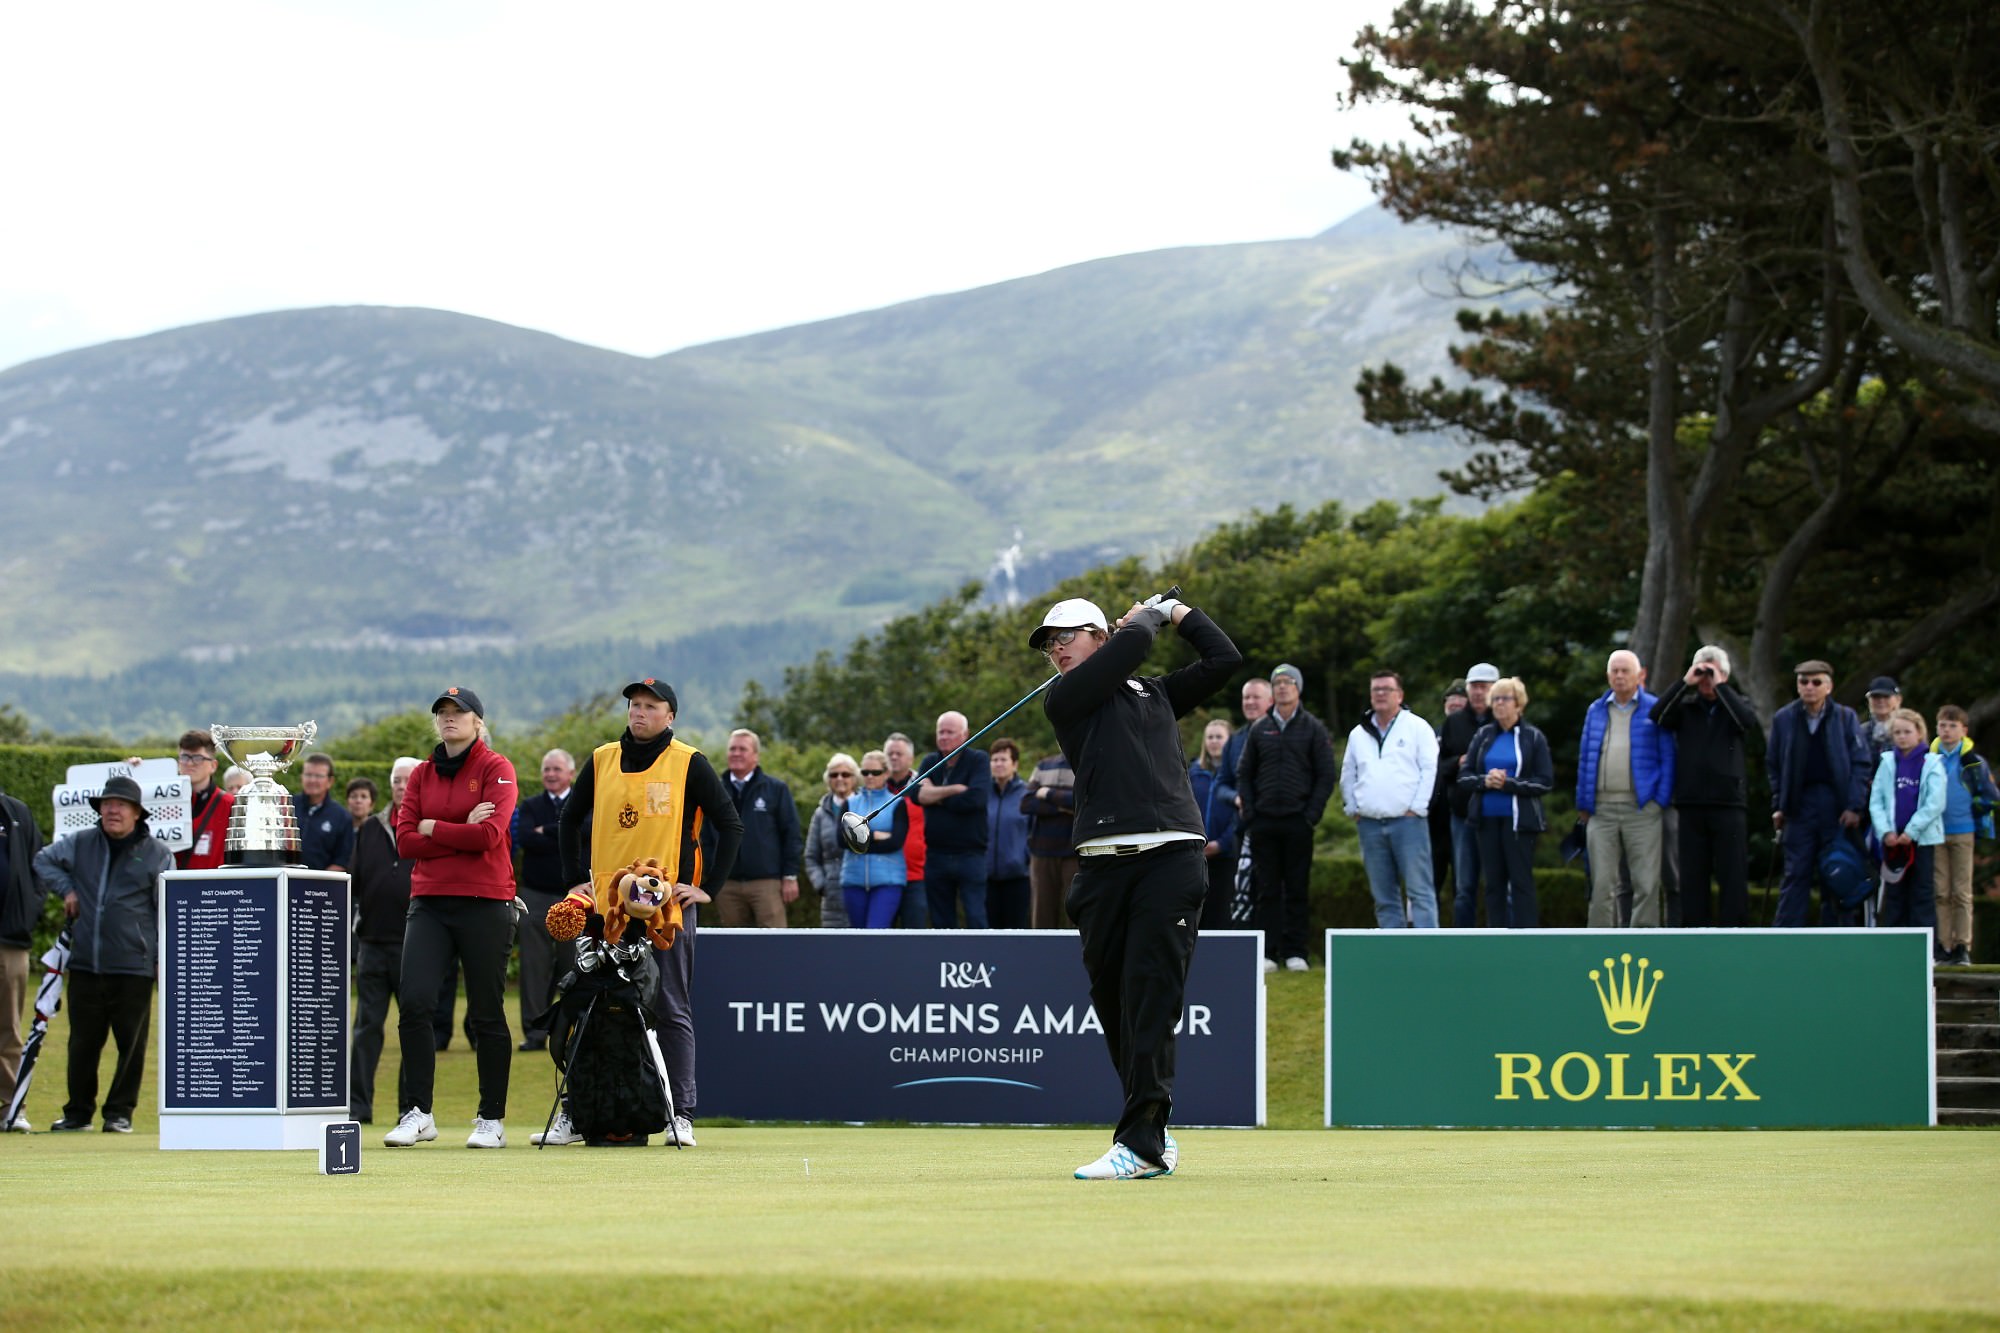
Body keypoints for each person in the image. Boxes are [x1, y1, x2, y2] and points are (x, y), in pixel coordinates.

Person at [1032, 591, 1241, 1179]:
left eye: (1064, 637)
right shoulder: (1066, 697)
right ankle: (1155, 1130)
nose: (1054, 650)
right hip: (1099, 866)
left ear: (1097, 634)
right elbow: (1132, 646)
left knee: (1151, 998)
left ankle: (1141, 1143)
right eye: (1048, 644)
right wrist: (1146, 620)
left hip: (1169, 858)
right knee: (1115, 1007)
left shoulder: (1156, 692)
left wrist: (1176, 614)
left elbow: (1224, 660)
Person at [550, 676, 742, 1148]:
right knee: (592, 1009)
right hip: (606, 910)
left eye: (650, 706)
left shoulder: (689, 762)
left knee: (671, 1008)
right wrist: (575, 878)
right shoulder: (601, 759)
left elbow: (729, 824)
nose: (639, 712)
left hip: (665, 911)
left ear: (670, 716)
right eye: (634, 705)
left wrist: (706, 888)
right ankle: (579, 1113)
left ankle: (683, 1113)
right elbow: (569, 819)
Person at [384, 687, 519, 1149]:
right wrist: (458, 825)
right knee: (416, 1004)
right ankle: (418, 1112)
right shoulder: (421, 773)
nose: (449, 719)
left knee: (486, 1013)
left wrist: (433, 827)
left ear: (478, 722)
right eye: (442, 713)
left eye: (458, 713)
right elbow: (405, 842)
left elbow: (489, 835)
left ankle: (491, 1118)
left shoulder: (497, 768)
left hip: (486, 900)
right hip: (431, 901)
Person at [36, 775, 173, 1133]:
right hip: (85, 962)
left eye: (121, 805)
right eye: (107, 805)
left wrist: (161, 958)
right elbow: (43, 861)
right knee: (81, 1043)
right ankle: (78, 1113)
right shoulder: (81, 843)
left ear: (136, 813)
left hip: (134, 965)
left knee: (132, 1045)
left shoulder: (158, 853)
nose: (112, 810)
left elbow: (167, 910)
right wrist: (66, 888)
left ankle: (119, 1113)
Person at [1235, 663, 1337, 972]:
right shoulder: (1259, 728)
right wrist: (1251, 814)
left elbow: (1326, 775)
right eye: (1277, 682)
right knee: (1266, 889)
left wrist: (1311, 815)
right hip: (1264, 821)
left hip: (1298, 821)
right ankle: (1268, 951)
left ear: (1298, 688)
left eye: (1288, 682)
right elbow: (1244, 773)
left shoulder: (1313, 728)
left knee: (1296, 888)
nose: (1281, 687)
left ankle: (1296, 952)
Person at [1649, 646, 1757, 926]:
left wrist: (1721, 686)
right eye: (1703, 673)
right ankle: (1694, 932)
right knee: (1693, 875)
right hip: (1691, 802)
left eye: (1711, 673)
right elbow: (1657, 715)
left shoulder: (1736, 704)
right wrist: (1686, 682)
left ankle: (1735, 931)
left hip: (1728, 803)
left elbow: (1747, 722)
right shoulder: (1686, 709)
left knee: (1732, 873)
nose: (1706, 679)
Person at [1767, 660, 1872, 927]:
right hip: (1798, 805)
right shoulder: (1784, 718)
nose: (1809, 687)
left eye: (1816, 682)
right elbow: (1774, 765)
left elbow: (1860, 763)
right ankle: (1786, 938)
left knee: (1837, 871)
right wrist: (1779, 803)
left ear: (1829, 686)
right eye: (1804, 682)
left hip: (1835, 806)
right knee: (1796, 872)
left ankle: (1839, 937)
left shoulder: (1845, 717)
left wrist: (1854, 806)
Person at [1575, 650, 1675, 928]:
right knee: (1602, 883)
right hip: (1601, 809)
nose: (1619, 676)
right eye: (1614, 671)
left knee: (1646, 881)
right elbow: (1585, 758)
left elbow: (1668, 757)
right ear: (1608, 675)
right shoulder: (1595, 710)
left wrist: (1659, 800)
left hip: (1642, 808)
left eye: (1625, 671)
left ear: (1639, 675)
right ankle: (1600, 943)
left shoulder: (1654, 709)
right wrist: (1584, 803)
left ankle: (1644, 941)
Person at [1341, 670, 1439, 929]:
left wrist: (1417, 807)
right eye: (1376, 690)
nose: (1381, 694)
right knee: (1384, 897)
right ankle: (1395, 956)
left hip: (1408, 823)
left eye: (1387, 689)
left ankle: (1429, 954)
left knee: (1420, 893)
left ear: (1400, 695)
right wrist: (1353, 808)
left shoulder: (1417, 727)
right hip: (1370, 824)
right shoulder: (1358, 733)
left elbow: (1430, 769)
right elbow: (1348, 774)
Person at [349, 756, 417, 1124]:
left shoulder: (426, 826)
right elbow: (356, 882)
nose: (402, 786)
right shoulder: (371, 828)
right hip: (372, 943)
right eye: (396, 780)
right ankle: (359, 1108)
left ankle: (410, 1109)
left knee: (412, 1029)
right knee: (366, 1029)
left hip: (414, 946)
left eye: (408, 780)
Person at [1458, 677, 1552, 929]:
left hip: (1520, 823)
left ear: (1518, 704)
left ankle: (1527, 938)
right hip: (1486, 820)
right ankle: (1496, 937)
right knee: (1492, 884)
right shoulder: (1484, 735)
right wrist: (1485, 781)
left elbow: (1544, 782)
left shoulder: (1533, 737)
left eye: (1505, 699)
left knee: (1521, 882)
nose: (1499, 704)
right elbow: (1464, 776)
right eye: (1496, 699)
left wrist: (1509, 784)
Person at [511, 749, 577, 1051]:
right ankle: (535, 1033)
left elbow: (583, 833)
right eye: (546, 769)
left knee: (573, 967)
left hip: (573, 897)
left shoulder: (582, 803)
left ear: (571, 774)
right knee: (534, 968)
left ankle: (569, 1032)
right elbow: (525, 838)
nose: (550, 774)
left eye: (556, 769)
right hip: (535, 896)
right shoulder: (530, 805)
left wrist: (548, 831)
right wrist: (561, 831)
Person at [1868, 708, 1944, 942]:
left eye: (1907, 732)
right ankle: (1893, 947)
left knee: (1922, 893)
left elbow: (1935, 802)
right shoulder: (1888, 762)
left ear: (1919, 733)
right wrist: (1886, 831)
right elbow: (1877, 800)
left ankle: (1926, 950)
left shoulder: (1932, 763)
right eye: (1897, 732)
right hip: (1893, 842)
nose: (1902, 737)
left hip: (1921, 841)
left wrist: (1911, 832)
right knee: (1894, 895)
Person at [1931, 706, 1999, 965]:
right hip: (1936, 831)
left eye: (1952, 726)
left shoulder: (1973, 762)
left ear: (1963, 730)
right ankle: (1943, 945)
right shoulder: (1930, 758)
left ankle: (1962, 946)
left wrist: (1977, 814)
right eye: (1942, 726)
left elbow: (1990, 795)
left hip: (1963, 831)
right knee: (1940, 891)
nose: (1946, 731)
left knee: (1961, 891)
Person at [715, 729, 802, 929]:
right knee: (732, 947)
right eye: (732, 749)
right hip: (727, 885)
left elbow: (791, 835)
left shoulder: (776, 789)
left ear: (756, 756)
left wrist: (790, 876)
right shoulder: (716, 790)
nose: (736, 753)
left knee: (773, 946)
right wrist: (713, 871)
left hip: (766, 883)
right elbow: (706, 835)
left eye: (742, 749)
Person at [918, 711, 994, 929]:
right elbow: (917, 796)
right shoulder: (930, 761)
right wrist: (955, 790)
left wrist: (935, 795)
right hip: (936, 855)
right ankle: (941, 961)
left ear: (964, 734)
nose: (943, 736)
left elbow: (975, 799)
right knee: (941, 921)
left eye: (949, 732)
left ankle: (979, 959)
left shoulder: (978, 759)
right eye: (940, 732)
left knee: (975, 917)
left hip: (970, 855)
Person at [0, 781, 47, 1129]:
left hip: (9, 939)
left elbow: (38, 868)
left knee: (9, 1029)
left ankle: (9, 1108)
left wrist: (27, 911)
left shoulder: (15, 812)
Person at [1439, 663, 1498, 927]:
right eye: (1474, 687)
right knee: (1464, 886)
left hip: (1498, 814)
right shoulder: (1454, 722)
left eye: (1483, 687)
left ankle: (1503, 941)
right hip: (1463, 814)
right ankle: (1463, 945)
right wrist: (1458, 763)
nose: (1477, 692)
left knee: (1498, 883)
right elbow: (1439, 767)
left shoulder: (1505, 721)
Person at [841, 750, 909, 929]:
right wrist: (876, 835)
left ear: (886, 773)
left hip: (888, 880)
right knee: (857, 938)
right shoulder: (849, 803)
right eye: (865, 772)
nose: (870, 776)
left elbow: (895, 843)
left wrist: (859, 838)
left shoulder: (897, 803)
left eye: (876, 772)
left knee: (875, 932)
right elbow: (841, 840)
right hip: (853, 879)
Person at [1189, 719, 1239, 931]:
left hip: (1227, 856)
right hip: (1195, 855)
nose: (1214, 741)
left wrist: (1222, 844)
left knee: (1222, 910)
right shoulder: (1192, 774)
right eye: (1210, 737)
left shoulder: (1237, 774)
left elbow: (1241, 815)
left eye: (1219, 737)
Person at [803, 753, 860, 928]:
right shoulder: (820, 814)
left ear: (855, 778)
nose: (840, 778)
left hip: (860, 887)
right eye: (834, 775)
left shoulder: (864, 807)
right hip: (832, 893)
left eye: (845, 774)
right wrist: (822, 884)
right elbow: (811, 856)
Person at [1428, 680, 1468, 912]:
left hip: (1461, 814)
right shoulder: (1431, 734)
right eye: (1450, 699)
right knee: (1429, 881)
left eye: (1460, 699)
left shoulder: (1475, 732)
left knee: (1461, 884)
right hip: (1435, 820)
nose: (1454, 703)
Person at [985, 739, 1032, 928]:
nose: (998, 764)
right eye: (994, 760)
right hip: (986, 878)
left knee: (1016, 933)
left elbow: (1033, 831)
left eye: (1003, 759)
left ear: (1015, 764)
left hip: (1018, 877)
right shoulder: (982, 792)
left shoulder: (1027, 793)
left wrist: (1023, 858)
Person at [884, 734, 929, 928]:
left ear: (910, 758)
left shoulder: (925, 787)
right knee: (883, 939)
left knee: (916, 938)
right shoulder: (875, 788)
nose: (894, 757)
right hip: (884, 876)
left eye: (899, 754)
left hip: (916, 876)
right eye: (890, 754)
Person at [174, 730, 234, 871]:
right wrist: (137, 770)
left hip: (215, 887)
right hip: (172, 887)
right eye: (184, 757)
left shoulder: (230, 805)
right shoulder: (166, 801)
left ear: (213, 766)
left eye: (198, 758)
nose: (189, 763)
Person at [293, 752, 354, 874]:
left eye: (318, 776)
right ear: (302, 777)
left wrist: (318, 881)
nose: (312, 780)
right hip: (284, 882)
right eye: (308, 774)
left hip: (320, 887)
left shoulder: (341, 817)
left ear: (330, 781)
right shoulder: (288, 806)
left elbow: (342, 860)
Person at [1863, 677, 1903, 766]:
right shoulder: (1860, 731)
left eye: (1886, 696)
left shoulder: (1909, 728)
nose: (1881, 701)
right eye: (1875, 697)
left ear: (1898, 699)